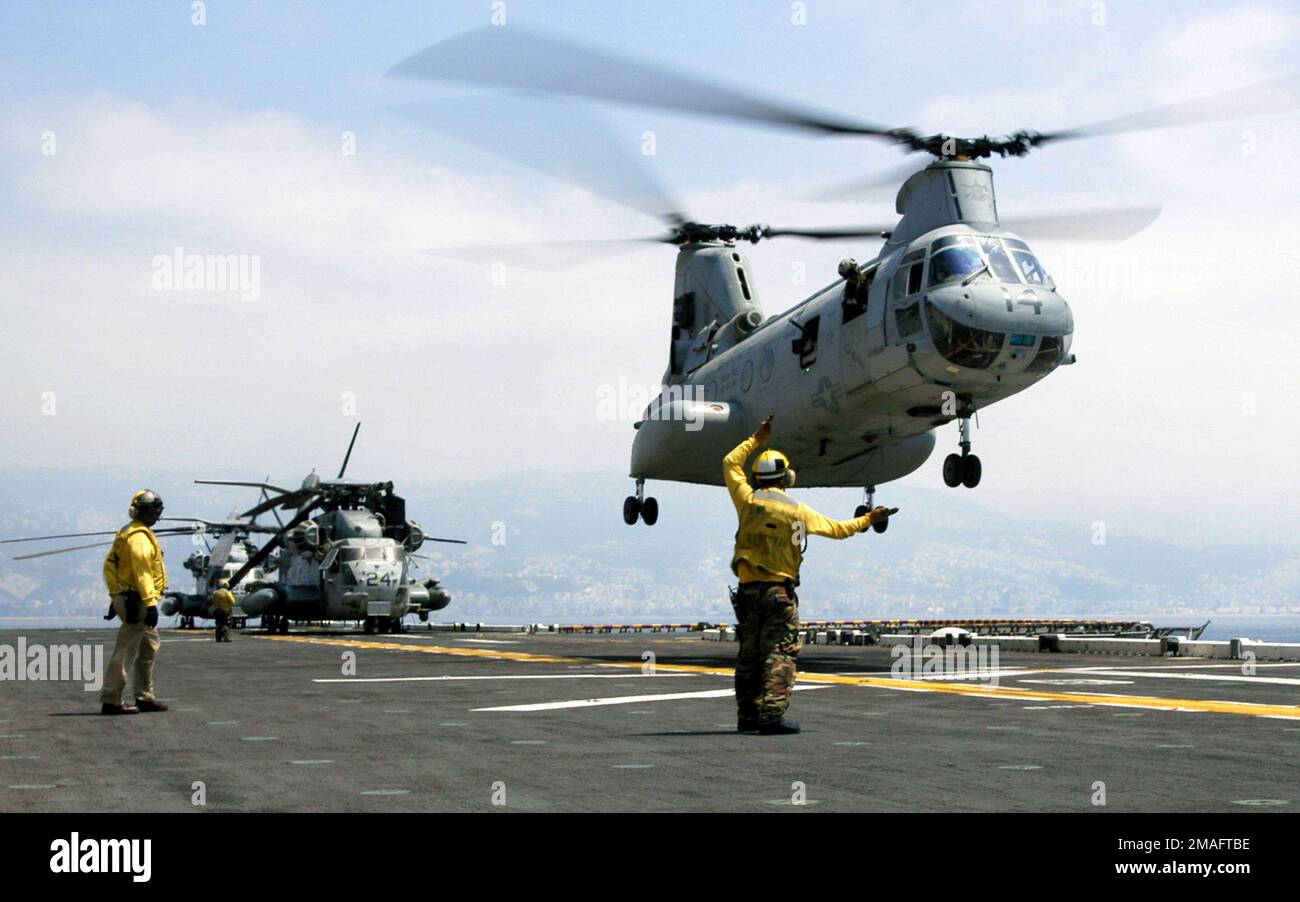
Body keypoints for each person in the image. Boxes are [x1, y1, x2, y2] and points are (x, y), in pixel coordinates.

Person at [724, 414, 893, 735]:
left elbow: (730, 463)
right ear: (786, 477)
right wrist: (870, 518)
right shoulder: (797, 511)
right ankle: (771, 716)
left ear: (758, 478)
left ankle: (747, 716)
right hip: (778, 593)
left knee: (749, 654)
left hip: (746, 593)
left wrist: (757, 438)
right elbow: (841, 530)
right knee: (781, 652)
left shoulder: (746, 501)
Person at [99, 490, 170, 715]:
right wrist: (150, 603)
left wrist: (115, 595)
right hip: (137, 601)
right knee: (127, 649)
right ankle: (111, 700)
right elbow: (142, 574)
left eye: (156, 510)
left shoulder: (128, 532)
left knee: (149, 646)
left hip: (129, 597)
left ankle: (144, 696)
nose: (155, 515)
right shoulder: (139, 538)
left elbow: (111, 567)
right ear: (139, 511)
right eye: (151, 511)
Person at [210, 578, 235, 643]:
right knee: (226, 624)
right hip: (225, 611)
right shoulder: (227, 593)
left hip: (217, 611)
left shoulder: (215, 593)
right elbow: (232, 601)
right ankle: (226, 638)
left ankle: (218, 638)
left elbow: (212, 601)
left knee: (218, 624)